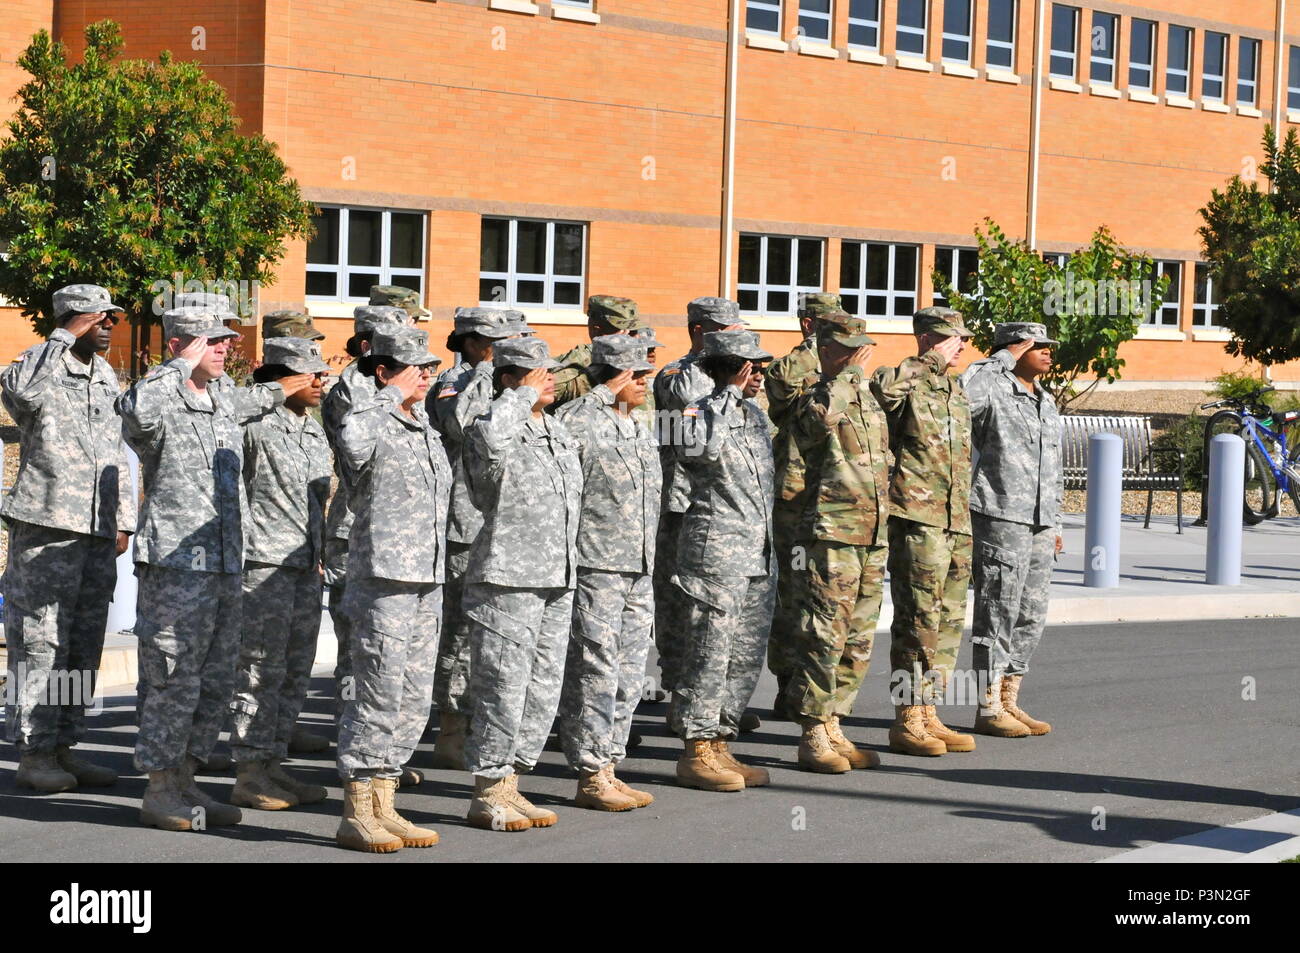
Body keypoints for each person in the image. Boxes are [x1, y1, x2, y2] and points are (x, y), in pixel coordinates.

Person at [118, 304, 312, 831]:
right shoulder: (162, 395)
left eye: (227, 340)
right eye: (213, 340)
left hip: (228, 563)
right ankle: (160, 789)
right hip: (177, 566)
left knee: (213, 680)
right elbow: (134, 412)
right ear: (182, 343)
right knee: (172, 676)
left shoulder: (224, 398)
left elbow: (261, 397)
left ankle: (188, 781)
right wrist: (178, 364)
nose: (226, 347)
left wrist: (296, 380)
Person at [2, 284, 133, 793]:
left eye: (113, 319)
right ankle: (34, 752)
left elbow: (114, 453)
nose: (109, 326)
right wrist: (60, 336)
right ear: (75, 318)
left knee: (80, 644)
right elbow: (18, 394)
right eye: (101, 318)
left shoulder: (104, 374)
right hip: (47, 528)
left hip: (97, 531)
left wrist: (122, 519)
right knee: (40, 641)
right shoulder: (39, 364)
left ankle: (64, 746)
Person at [334, 326, 450, 853]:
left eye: (429, 367)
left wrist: (404, 400)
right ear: (382, 370)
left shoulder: (420, 423)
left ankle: (386, 798)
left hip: (426, 576)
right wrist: (387, 394)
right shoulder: (371, 416)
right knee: (377, 689)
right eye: (413, 366)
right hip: (383, 577)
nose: (425, 374)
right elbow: (351, 442)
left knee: (411, 696)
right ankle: (358, 809)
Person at [462, 336, 583, 831]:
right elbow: (489, 444)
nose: (548, 379)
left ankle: (512, 780)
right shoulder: (492, 425)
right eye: (536, 373)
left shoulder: (555, 430)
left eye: (550, 372)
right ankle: (487, 789)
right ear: (510, 379)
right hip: (508, 575)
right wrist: (520, 397)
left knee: (540, 687)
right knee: (502, 686)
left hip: (557, 575)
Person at [781, 316, 892, 772]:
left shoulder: (865, 398)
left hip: (872, 532)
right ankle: (811, 732)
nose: (857, 356)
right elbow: (816, 424)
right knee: (823, 633)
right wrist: (846, 379)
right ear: (825, 351)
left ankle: (834, 724)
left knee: (858, 639)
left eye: (860, 348)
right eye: (847, 349)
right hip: (832, 533)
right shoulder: (815, 395)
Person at [554, 335, 660, 811]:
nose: (645, 383)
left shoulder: (636, 423)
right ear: (615, 374)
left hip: (638, 566)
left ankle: (611, 763)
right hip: (596, 565)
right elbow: (560, 497)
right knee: (594, 669)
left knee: (630, 672)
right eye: (636, 375)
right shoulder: (578, 420)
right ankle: (590, 771)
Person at [228, 337, 333, 811]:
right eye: (307, 373)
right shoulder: (253, 424)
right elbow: (219, 416)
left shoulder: (310, 428)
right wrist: (266, 391)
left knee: (294, 670)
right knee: (258, 670)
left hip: (304, 564)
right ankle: (249, 772)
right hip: (262, 564)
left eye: (320, 372)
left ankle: (274, 763)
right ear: (279, 376)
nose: (319, 380)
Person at [672, 329, 776, 792]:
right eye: (752, 367)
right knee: (709, 654)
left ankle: (720, 740)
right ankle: (695, 749)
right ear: (733, 369)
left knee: (743, 655)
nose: (759, 375)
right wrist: (726, 395)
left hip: (757, 551)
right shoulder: (694, 412)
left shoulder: (755, 415)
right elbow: (698, 454)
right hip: (716, 552)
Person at [870, 306, 976, 758]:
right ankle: (907, 717)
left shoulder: (954, 388)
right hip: (918, 518)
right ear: (929, 338)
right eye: (953, 338)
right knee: (917, 621)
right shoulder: (901, 377)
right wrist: (927, 360)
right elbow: (884, 395)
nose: (962, 346)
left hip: (956, 520)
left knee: (948, 622)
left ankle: (929, 707)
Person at [425, 306, 522, 770]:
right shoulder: (454, 381)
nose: (500, 347)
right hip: (464, 522)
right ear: (470, 341)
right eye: (491, 340)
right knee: (461, 631)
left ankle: (489, 725)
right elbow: (462, 424)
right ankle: (452, 726)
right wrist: (487, 372)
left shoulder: (509, 379)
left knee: (497, 632)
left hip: (506, 521)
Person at [959, 322, 1063, 738]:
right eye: (1038, 346)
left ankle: (1009, 698)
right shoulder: (993, 388)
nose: (1049, 353)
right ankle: (987, 706)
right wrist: (1002, 357)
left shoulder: (1046, 401)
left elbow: (1052, 469)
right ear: (1016, 347)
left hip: (1039, 522)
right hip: (1000, 515)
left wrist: (1055, 521)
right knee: (997, 611)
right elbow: (964, 395)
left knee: (1030, 614)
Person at [651, 297, 746, 723]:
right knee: (680, 601)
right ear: (699, 331)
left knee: (720, 608)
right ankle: (680, 692)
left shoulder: (734, 374)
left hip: (725, 502)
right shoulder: (679, 376)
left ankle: (716, 698)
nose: (734, 337)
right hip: (683, 499)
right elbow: (700, 433)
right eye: (725, 331)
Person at [319, 306, 409, 741]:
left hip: (400, 534)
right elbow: (357, 445)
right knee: (358, 644)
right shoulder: (350, 390)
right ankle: (353, 740)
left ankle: (382, 748)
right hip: (355, 529)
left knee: (393, 652)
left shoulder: (405, 388)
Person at [763, 292, 847, 719]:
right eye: (828, 324)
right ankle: (787, 683)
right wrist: (815, 348)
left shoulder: (847, 368)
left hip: (834, 500)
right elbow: (781, 392)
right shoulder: (791, 365)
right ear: (810, 326)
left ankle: (812, 687)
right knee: (792, 594)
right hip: (795, 497)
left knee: (824, 596)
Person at [550, 295, 647, 407]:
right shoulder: (579, 374)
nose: (635, 338)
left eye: (634, 332)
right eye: (627, 333)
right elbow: (539, 394)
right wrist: (596, 350)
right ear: (597, 330)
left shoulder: (637, 376)